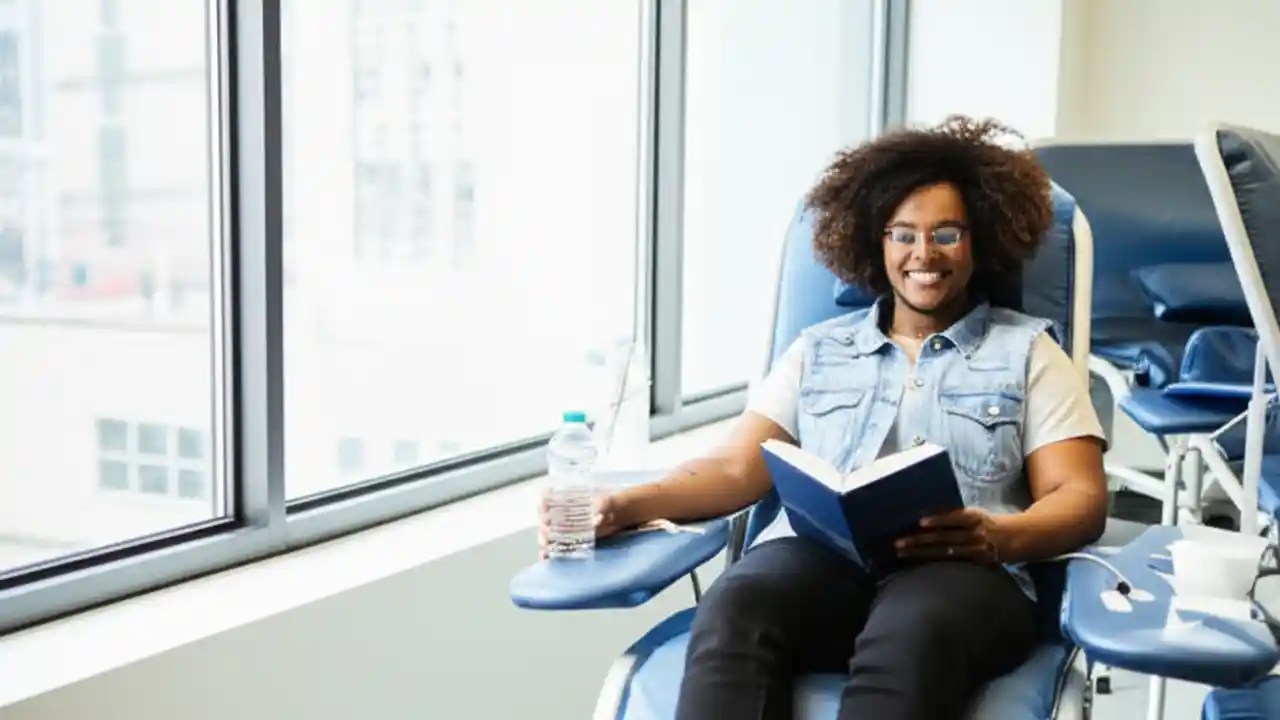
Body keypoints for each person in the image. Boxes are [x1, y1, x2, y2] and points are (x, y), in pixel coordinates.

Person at [546, 116, 1109, 720]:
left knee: (913, 629)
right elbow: (737, 470)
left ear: (981, 243)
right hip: (816, 565)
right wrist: (625, 505)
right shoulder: (818, 350)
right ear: (876, 243)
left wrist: (999, 536)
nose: (924, 254)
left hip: (963, 575)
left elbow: (1079, 495)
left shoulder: (1027, 353)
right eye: (903, 235)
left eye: (947, 233)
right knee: (738, 604)